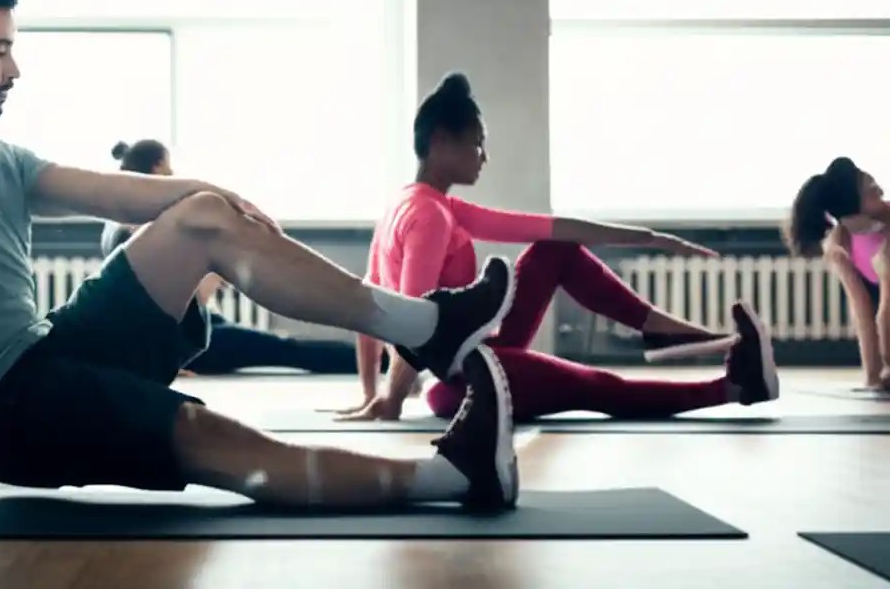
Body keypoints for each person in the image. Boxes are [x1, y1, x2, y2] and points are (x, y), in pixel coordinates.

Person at [0, 0, 524, 534]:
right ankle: (455, 476)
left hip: (47, 352)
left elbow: (116, 193)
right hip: (0, 413)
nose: (14, 71)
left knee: (197, 216)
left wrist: (221, 195)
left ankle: (429, 327)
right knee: (217, 440)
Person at [336, 72, 780, 424]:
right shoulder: (430, 215)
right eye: (477, 143)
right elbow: (414, 317)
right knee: (596, 385)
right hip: (468, 378)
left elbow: (366, 305)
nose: (483, 156)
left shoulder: (417, 204)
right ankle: (733, 389)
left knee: (556, 248)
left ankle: (662, 330)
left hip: (478, 349)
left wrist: (650, 238)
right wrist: (389, 400)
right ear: (440, 143)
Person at [101, 139, 376, 377]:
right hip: (180, 337)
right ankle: (381, 363)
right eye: (169, 171)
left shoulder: (121, 224)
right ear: (156, 170)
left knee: (283, 346)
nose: (175, 178)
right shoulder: (138, 229)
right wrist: (165, 359)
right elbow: (143, 310)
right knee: (286, 349)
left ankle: (380, 362)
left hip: (190, 327)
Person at [784, 156, 890, 390]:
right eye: (872, 192)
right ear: (853, 204)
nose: (882, 193)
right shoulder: (839, 245)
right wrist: (872, 377)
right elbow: (862, 310)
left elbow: (885, 313)